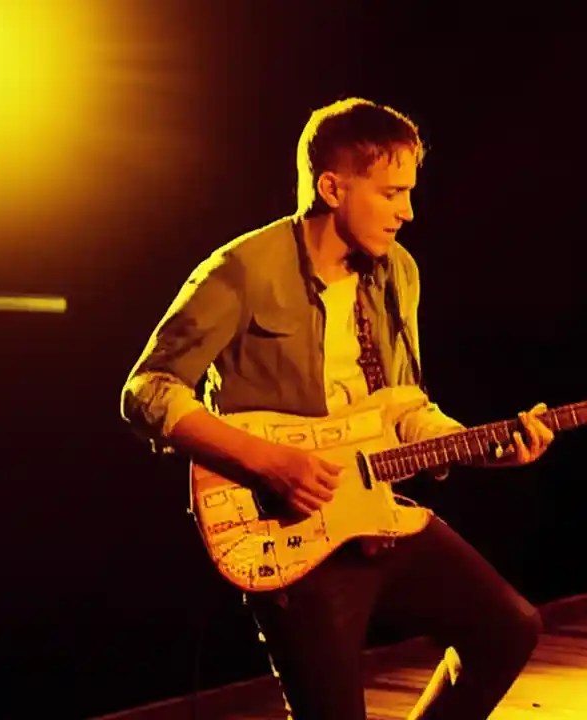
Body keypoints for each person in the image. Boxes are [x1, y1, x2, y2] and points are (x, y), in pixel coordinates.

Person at [120, 97, 554, 719]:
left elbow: (405, 404)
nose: (408, 211)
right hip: (289, 533)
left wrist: (479, 445)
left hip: (377, 511)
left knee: (509, 628)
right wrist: (268, 463)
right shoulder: (241, 271)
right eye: (391, 193)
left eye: (409, 192)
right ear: (332, 187)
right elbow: (147, 391)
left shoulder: (399, 271)